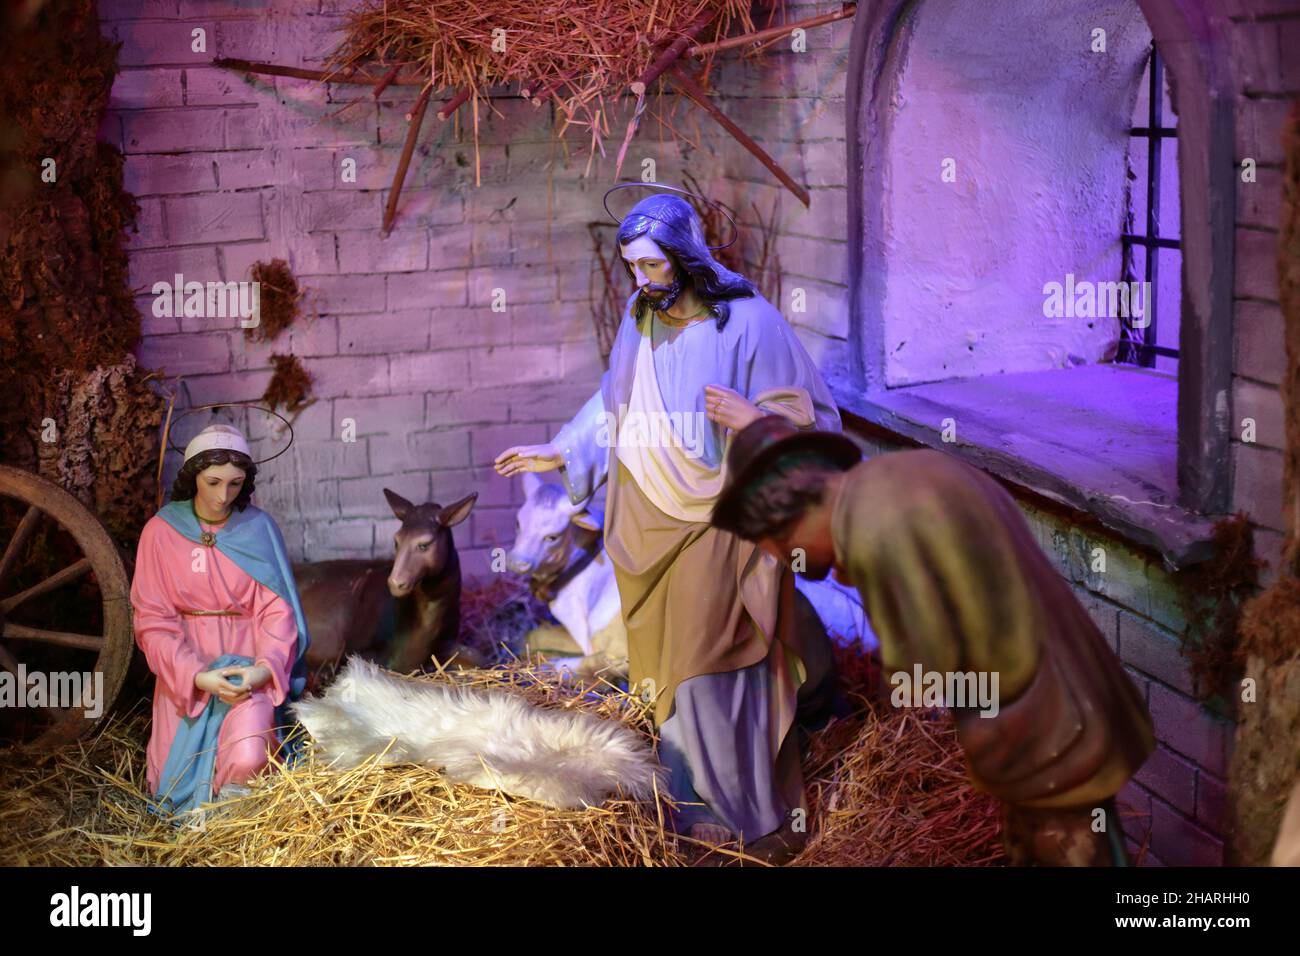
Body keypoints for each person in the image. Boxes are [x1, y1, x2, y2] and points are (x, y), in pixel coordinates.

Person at [494, 191, 841, 861]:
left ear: (685, 257)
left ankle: (740, 815)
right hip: (651, 525)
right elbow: (612, 402)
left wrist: (753, 419)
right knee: (672, 678)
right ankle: (687, 810)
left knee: (715, 664)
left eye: (650, 267)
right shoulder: (639, 318)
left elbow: (814, 419)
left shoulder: (747, 323)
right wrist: (563, 450)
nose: (639, 281)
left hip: (721, 525)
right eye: (630, 268)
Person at [710, 414, 1157, 866]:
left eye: (769, 542)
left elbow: (920, 669)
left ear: (788, 512)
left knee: (1068, 849)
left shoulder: (874, 526)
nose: (779, 558)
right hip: (1071, 701)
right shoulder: (898, 478)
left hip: (1046, 735)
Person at [131, 423, 310, 816]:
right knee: (171, 787)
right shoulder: (161, 532)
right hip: (187, 674)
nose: (222, 495)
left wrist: (263, 671)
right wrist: (196, 676)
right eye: (212, 481)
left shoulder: (258, 529)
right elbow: (153, 620)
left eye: (234, 483)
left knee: (248, 758)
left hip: (249, 669)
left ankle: (234, 826)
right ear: (193, 475)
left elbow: (278, 613)